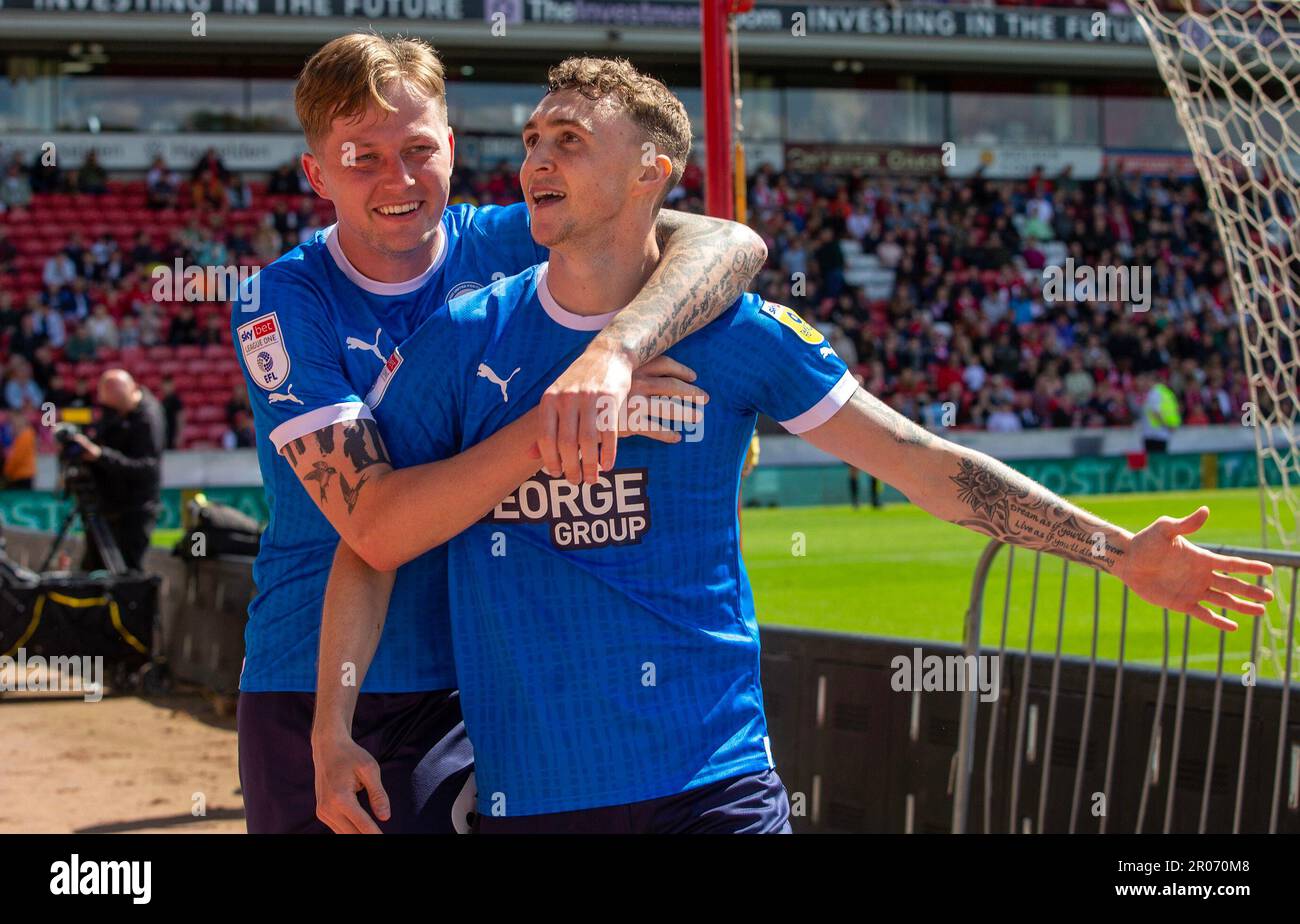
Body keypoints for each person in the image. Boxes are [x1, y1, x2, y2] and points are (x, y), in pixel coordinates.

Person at [314, 56, 1275, 834]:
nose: (535, 159)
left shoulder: (742, 336)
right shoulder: (465, 334)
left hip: (715, 783)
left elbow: (923, 464)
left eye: (569, 139)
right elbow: (371, 539)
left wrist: (1116, 553)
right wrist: (330, 730)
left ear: (654, 169)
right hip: (538, 794)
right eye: (531, 139)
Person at [231, 34, 765, 835]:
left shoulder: (512, 239)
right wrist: (554, 419)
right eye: (362, 157)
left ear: (451, 145)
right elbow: (373, 524)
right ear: (316, 173)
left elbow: (728, 242)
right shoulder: (282, 302)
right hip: (320, 680)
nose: (398, 180)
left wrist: (615, 354)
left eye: (418, 149)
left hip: (483, 677)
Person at [66, 370, 166, 572]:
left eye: (116, 407)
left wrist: (100, 456)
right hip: (106, 504)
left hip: (133, 511)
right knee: (92, 571)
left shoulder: (147, 417)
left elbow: (147, 468)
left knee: (127, 576)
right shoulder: (113, 412)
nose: (111, 412)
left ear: (130, 393)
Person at [3, 413, 36, 490]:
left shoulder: (25, 435)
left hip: (21, 475)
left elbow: (17, 458)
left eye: (13, 423)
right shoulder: (23, 435)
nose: (12, 426)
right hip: (21, 474)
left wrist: (7, 473)